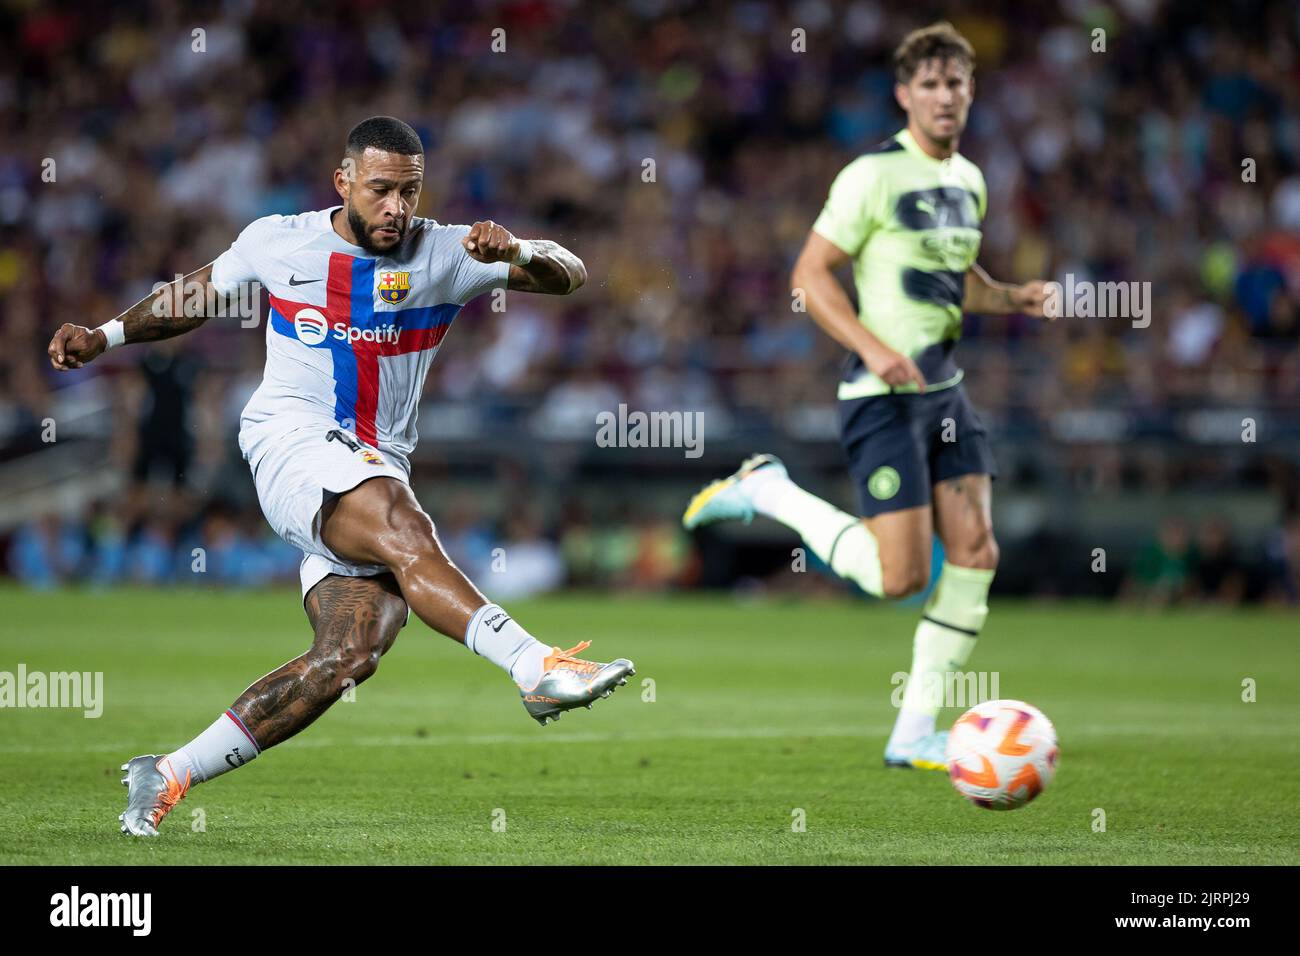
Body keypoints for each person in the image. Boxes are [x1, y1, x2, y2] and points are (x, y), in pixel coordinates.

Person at [48, 116, 634, 836]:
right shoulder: (279, 239)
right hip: (289, 441)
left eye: (409, 192)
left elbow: (569, 275)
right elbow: (190, 297)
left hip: (373, 461)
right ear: (345, 181)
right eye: (382, 189)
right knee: (404, 524)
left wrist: (520, 249)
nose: (397, 207)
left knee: (345, 658)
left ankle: (166, 772)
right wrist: (102, 336)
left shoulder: (445, 253)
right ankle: (534, 666)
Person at [683, 24, 1049, 771]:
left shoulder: (968, 180)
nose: (945, 97)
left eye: (956, 84)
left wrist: (1011, 296)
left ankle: (914, 732)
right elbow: (810, 275)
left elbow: (956, 274)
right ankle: (769, 489)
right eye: (931, 85)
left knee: (977, 548)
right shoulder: (871, 175)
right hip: (879, 396)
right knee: (900, 578)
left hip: (945, 392)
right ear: (904, 95)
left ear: (970, 92)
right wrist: (877, 349)